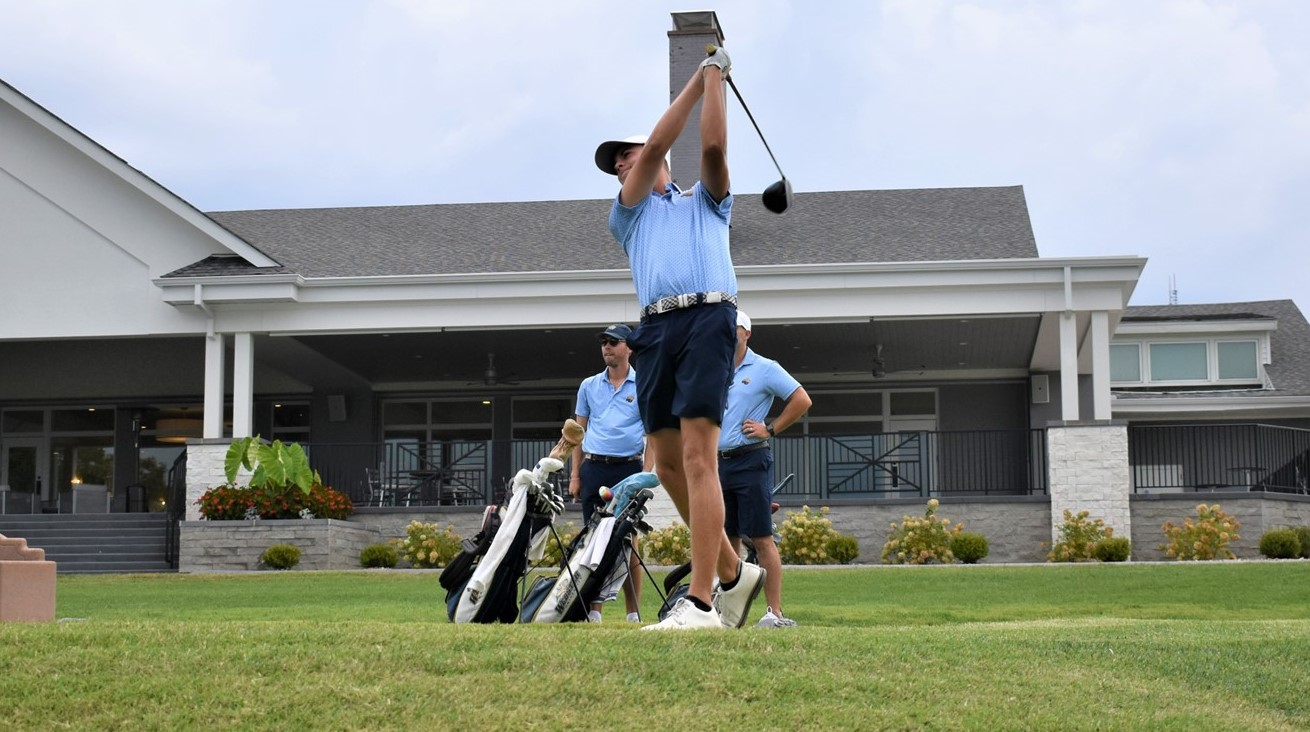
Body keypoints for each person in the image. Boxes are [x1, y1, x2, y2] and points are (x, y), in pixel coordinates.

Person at [594, 45, 765, 630]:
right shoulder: (630, 213)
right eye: (615, 161)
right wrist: (702, 76)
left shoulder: (709, 205)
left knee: (697, 455)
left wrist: (714, 76)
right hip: (656, 329)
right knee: (666, 463)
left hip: (709, 320)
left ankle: (702, 600)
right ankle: (735, 571)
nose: (621, 164)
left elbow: (712, 148)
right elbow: (661, 145)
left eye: (625, 154)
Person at [718, 310, 812, 628]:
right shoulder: (714, 367)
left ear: (747, 334)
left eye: (736, 328)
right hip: (719, 463)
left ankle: (774, 612)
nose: (729, 333)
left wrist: (770, 429)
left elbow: (801, 399)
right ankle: (730, 609)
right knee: (727, 537)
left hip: (751, 460)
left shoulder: (765, 368)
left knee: (761, 537)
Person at [569, 323, 647, 623]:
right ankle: (594, 611)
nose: (607, 347)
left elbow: (652, 433)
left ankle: (633, 613)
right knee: (593, 540)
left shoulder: (643, 385)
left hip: (628, 468)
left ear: (628, 347)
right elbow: (577, 432)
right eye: (604, 342)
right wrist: (575, 475)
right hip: (594, 468)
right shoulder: (589, 385)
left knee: (629, 541)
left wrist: (648, 473)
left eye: (614, 342)